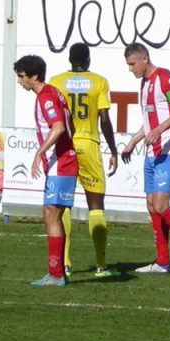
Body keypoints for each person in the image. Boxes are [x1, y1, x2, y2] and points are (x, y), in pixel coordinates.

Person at [120, 43, 170, 277]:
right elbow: (149, 122)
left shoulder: (165, 78)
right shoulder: (144, 84)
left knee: (161, 205)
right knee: (151, 205)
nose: (131, 69)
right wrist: (133, 141)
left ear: (145, 59)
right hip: (151, 153)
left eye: (132, 64)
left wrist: (160, 129)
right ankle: (163, 261)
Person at [49, 43, 120, 278]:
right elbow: (105, 120)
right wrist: (113, 149)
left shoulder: (56, 81)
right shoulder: (99, 81)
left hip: (65, 145)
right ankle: (101, 265)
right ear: (88, 60)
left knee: (62, 207)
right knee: (96, 205)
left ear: (69, 60)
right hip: (89, 144)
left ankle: (65, 264)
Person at [14, 54, 78, 287]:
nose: (20, 81)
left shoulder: (47, 96)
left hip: (61, 164)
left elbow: (59, 126)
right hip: (60, 164)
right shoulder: (53, 93)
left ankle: (57, 274)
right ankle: (56, 272)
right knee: (51, 215)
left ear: (34, 76)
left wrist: (40, 152)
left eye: (22, 77)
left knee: (51, 214)